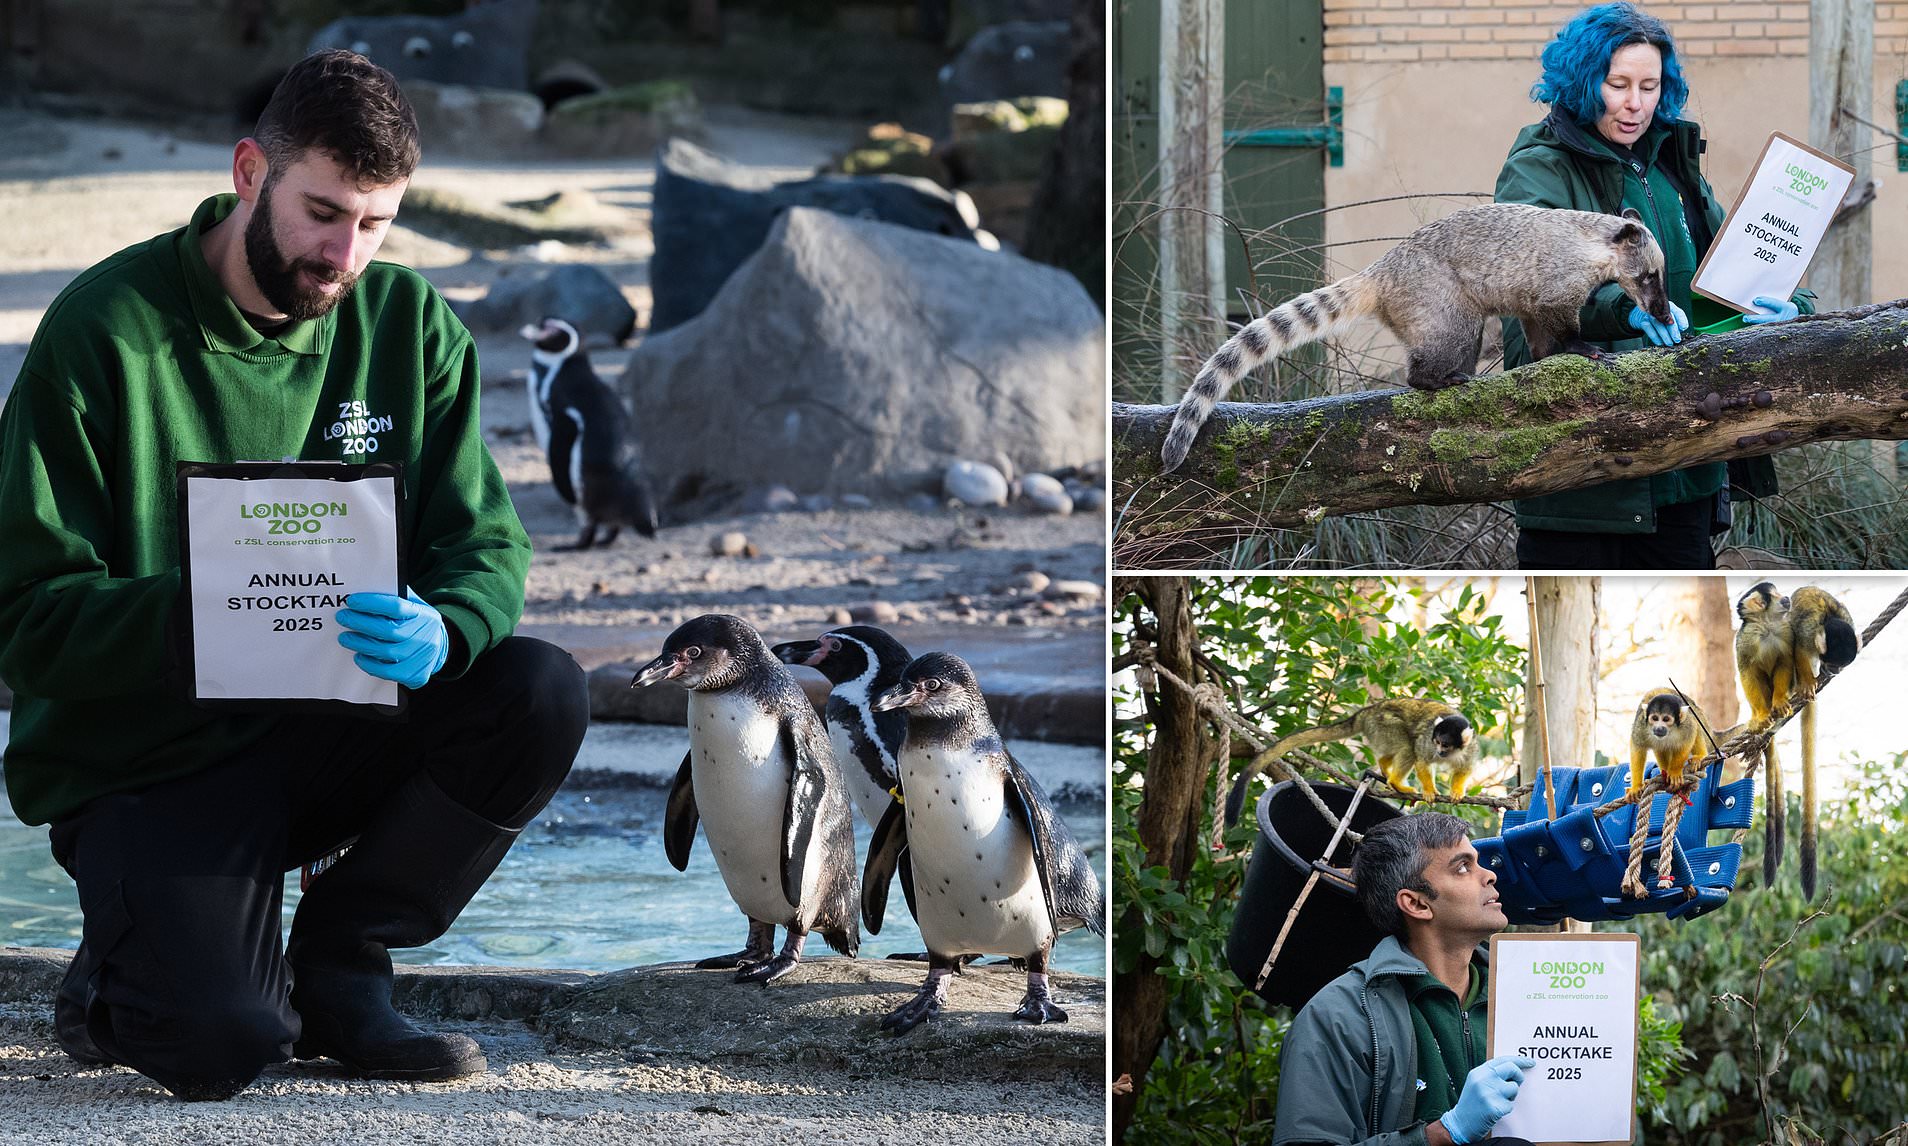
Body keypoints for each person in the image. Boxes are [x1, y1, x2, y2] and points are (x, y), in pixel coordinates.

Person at [0, 51, 589, 1100]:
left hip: (329, 729)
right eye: (323, 213)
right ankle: (119, 972)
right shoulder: (102, 329)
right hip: (150, 754)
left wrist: (449, 625)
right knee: (219, 1047)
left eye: (374, 224)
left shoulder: (408, 323)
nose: (343, 254)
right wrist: (210, 613)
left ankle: (343, 961)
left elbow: (487, 547)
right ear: (249, 173)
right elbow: (24, 619)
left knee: (538, 689)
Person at [1496, 2, 1812, 570]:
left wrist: (1793, 309)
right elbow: (1534, 283)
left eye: (1650, 86)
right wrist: (1626, 310)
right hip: (1582, 475)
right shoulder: (1540, 168)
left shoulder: (1671, 164)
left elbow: (1731, 271)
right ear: (1583, 81)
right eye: (1618, 85)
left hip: (1686, 466)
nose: (1636, 104)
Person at [1271, 813, 1536, 1146]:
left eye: (1478, 863)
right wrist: (1443, 1134)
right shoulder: (1339, 1016)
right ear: (1416, 903)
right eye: (1462, 867)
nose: (1489, 875)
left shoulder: (1526, 994)